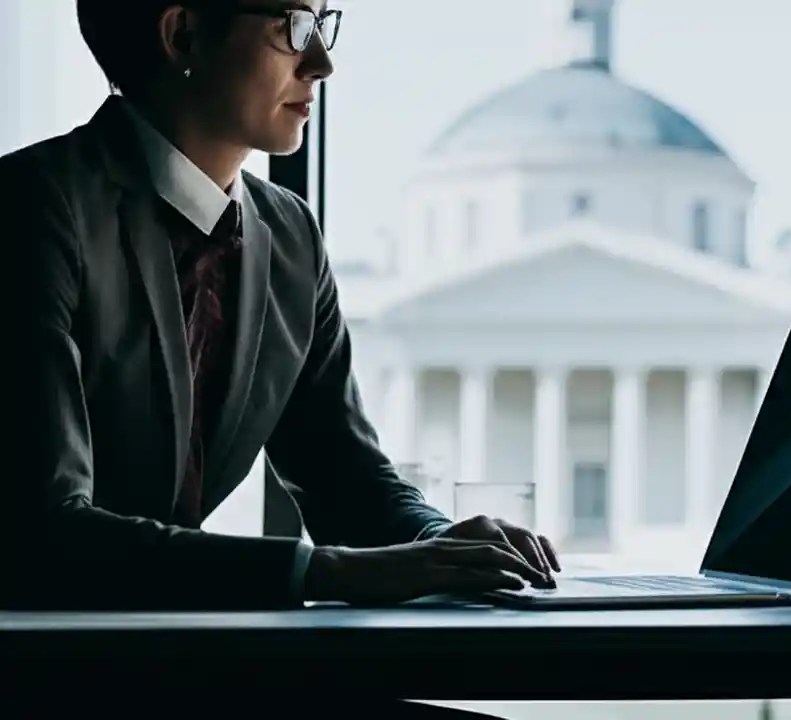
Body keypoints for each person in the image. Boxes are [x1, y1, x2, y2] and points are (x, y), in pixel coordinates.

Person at [3, 1, 559, 716]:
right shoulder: (31, 208)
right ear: (182, 33)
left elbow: (346, 479)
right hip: (46, 680)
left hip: (182, 664)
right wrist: (332, 571)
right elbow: (45, 536)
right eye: (292, 28)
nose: (321, 62)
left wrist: (443, 541)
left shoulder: (289, 235)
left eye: (324, 26)